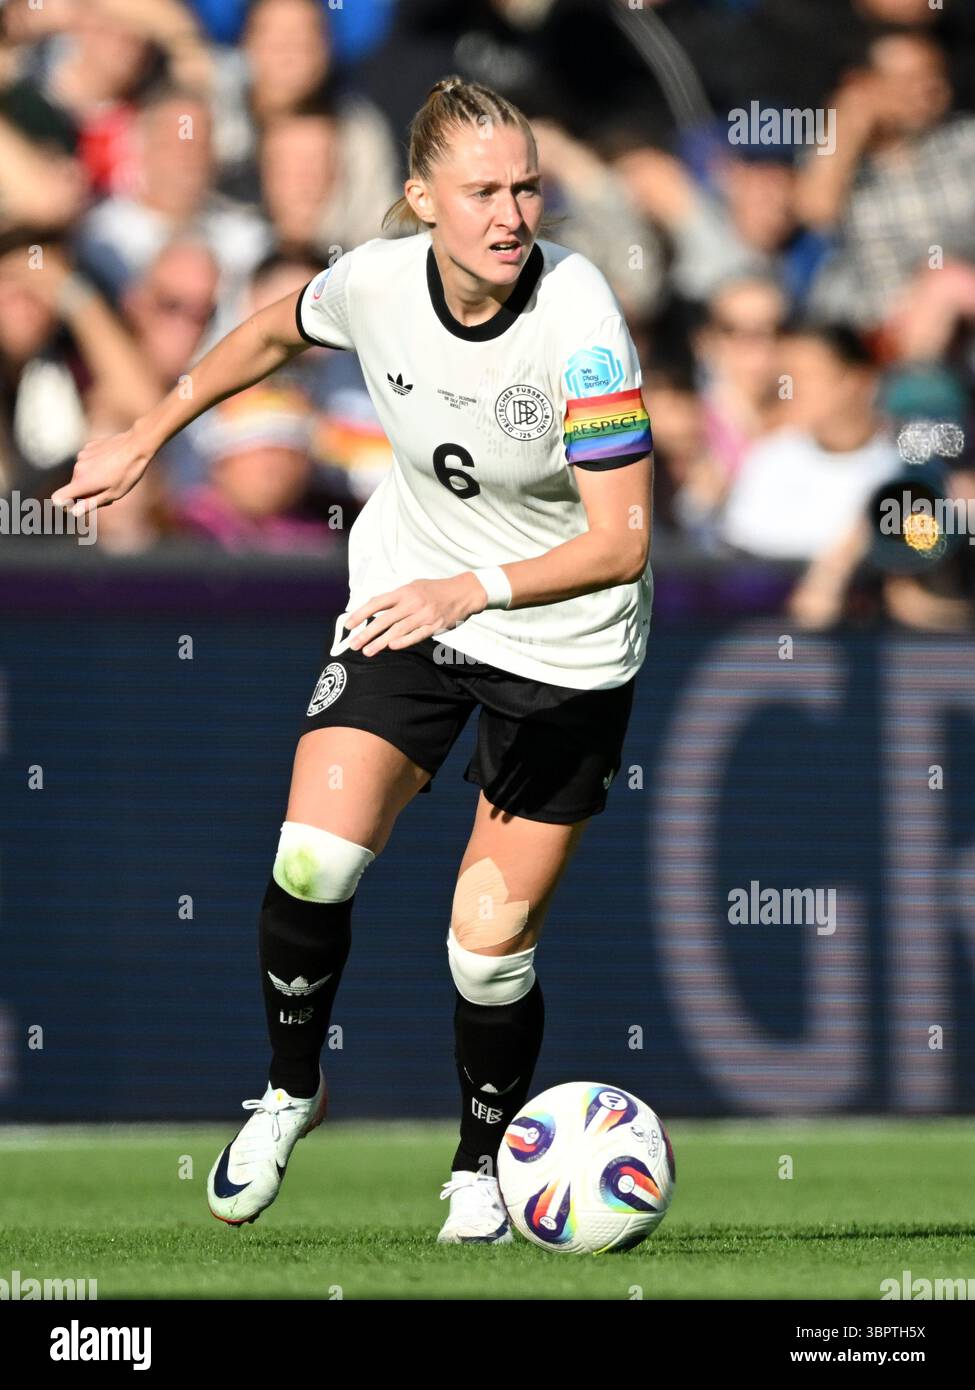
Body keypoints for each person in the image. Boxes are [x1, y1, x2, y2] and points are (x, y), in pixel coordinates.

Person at [52, 76, 654, 1243]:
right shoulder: (379, 281)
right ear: (423, 199)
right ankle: (289, 1092)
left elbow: (622, 541)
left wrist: (468, 588)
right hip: (409, 604)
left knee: (484, 949)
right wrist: (149, 427)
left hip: (563, 644)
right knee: (313, 859)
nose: (511, 214)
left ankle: (482, 1163)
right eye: (483, 190)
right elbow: (279, 326)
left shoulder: (580, 322)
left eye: (526, 186)